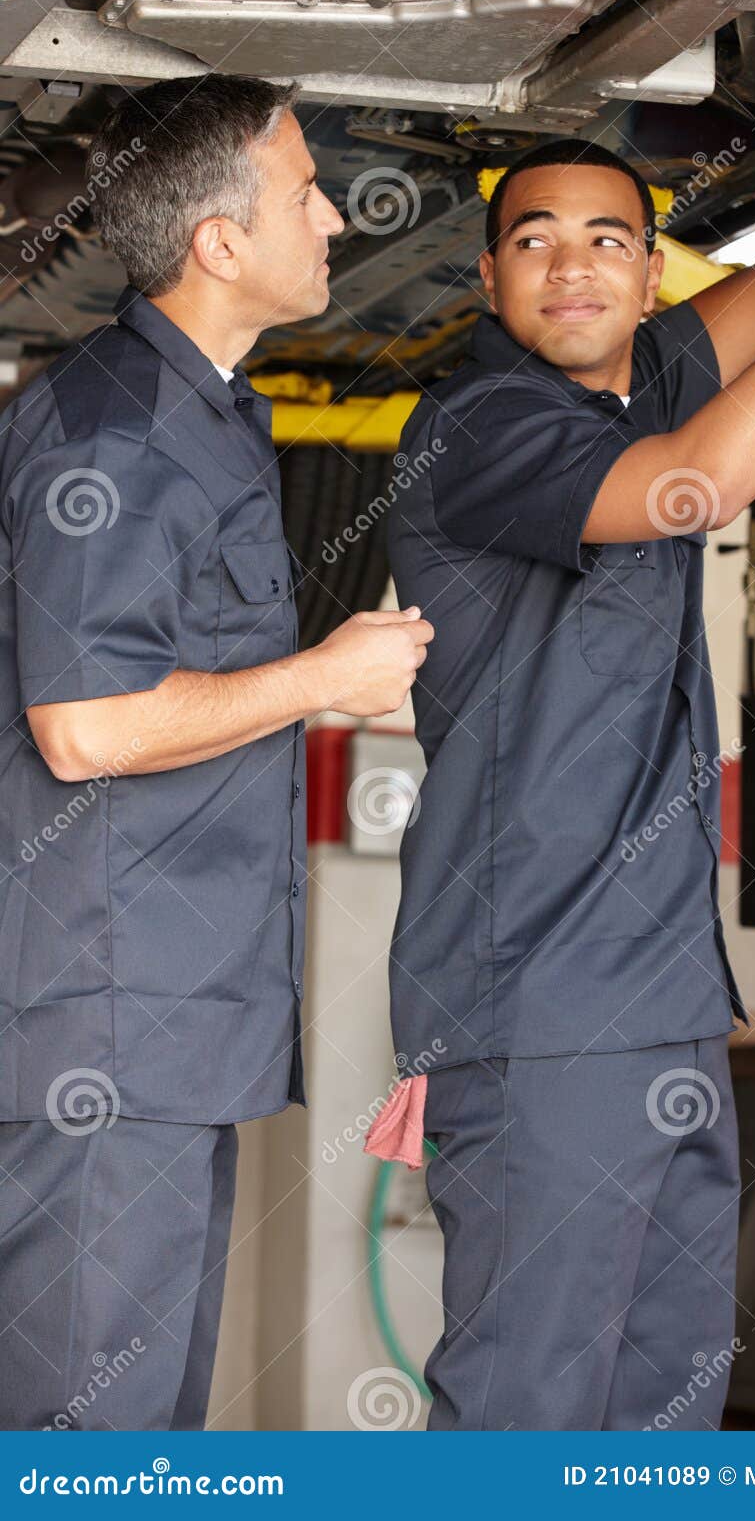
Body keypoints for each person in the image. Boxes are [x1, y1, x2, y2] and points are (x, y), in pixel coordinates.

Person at [370, 43, 755, 1429]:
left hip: (657, 1010)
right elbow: (696, 485)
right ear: (488, 282)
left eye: (611, 239)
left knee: (664, 1408)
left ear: (653, 276)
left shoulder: (641, 377)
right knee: (528, 1414)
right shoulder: (479, 424)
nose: (573, 266)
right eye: (533, 243)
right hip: (539, 1012)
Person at [0, 74, 433, 1430]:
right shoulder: (116, 432)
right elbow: (85, 727)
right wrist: (320, 676)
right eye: (303, 187)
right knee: (84, 1440)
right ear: (219, 243)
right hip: (107, 1039)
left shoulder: (205, 420)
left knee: (145, 1433)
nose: (331, 213)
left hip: (167, 1036)